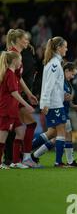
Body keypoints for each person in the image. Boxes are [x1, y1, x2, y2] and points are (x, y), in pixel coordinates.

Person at [31, 62, 77, 167]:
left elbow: (65, 98)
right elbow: (55, 94)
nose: (73, 77)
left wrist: (73, 105)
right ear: (66, 71)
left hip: (63, 110)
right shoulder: (59, 80)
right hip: (56, 110)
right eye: (72, 74)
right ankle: (64, 161)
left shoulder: (67, 82)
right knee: (61, 134)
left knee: (55, 135)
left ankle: (33, 155)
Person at [5, 29, 39, 168]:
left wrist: (29, 93)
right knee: (26, 126)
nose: (27, 41)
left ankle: (17, 160)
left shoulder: (17, 54)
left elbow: (19, 79)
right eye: (25, 39)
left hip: (16, 96)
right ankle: (21, 158)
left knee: (19, 129)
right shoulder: (12, 55)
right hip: (11, 97)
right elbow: (10, 79)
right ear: (18, 40)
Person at [0, 51, 35, 169]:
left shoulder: (13, 74)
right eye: (20, 60)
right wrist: (27, 105)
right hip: (7, 109)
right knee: (3, 136)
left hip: (13, 110)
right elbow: (14, 93)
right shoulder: (9, 74)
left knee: (20, 131)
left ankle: (15, 161)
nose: (21, 62)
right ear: (15, 61)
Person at [39, 37, 69, 167]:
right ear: (58, 48)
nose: (66, 49)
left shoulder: (54, 62)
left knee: (52, 132)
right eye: (65, 46)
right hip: (54, 103)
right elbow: (48, 86)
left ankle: (32, 155)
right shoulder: (55, 64)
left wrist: (63, 95)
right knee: (62, 131)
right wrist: (45, 103)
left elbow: (55, 85)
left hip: (55, 102)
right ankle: (58, 161)